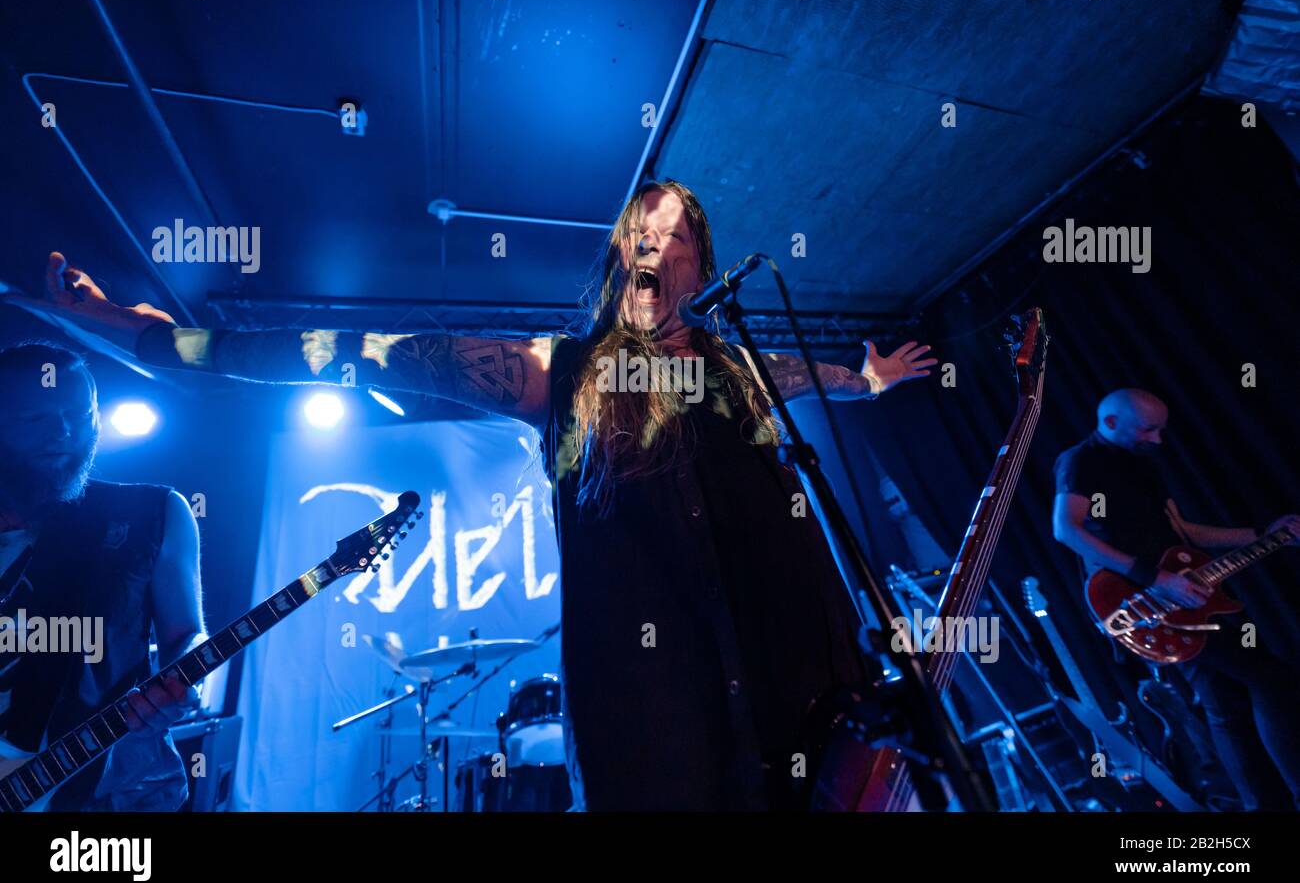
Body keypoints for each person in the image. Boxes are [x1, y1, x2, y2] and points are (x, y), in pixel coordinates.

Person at [36, 179, 936, 810]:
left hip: (806, 693)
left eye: (677, 236)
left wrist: (868, 375)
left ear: (702, 266)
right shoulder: (562, 374)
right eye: (640, 235)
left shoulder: (736, 369)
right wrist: (142, 328)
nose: (656, 248)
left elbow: (811, 375)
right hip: (656, 723)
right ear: (622, 259)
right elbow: (345, 351)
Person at [1052, 387, 1300, 810]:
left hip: (1186, 591)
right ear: (1110, 422)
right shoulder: (1081, 461)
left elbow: (1184, 532)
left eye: (1160, 431)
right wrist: (1155, 578)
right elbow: (1066, 530)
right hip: (1143, 600)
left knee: (1227, 706)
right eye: (1148, 430)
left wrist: (1263, 534)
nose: (1157, 440)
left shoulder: (1144, 465)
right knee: (1270, 679)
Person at [0, 341, 205, 810]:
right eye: (36, 419)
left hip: (106, 790)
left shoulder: (149, 514)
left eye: (80, 413)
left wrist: (185, 682)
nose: (64, 434)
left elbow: (185, 635)